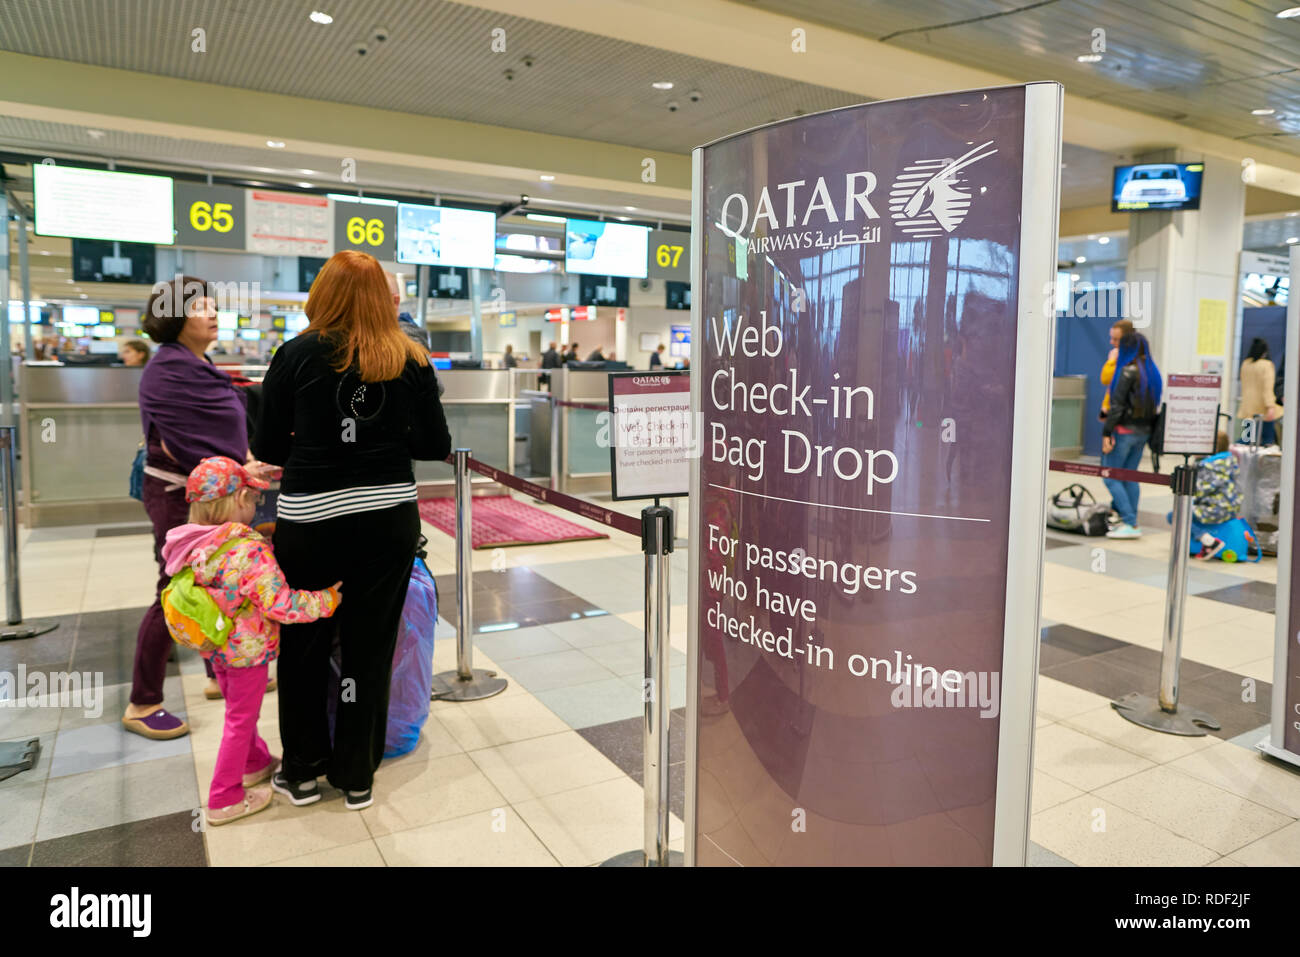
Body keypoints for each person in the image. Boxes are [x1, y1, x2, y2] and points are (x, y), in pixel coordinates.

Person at [253, 250, 451, 811]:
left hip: (311, 523)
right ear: (381, 300)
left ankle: (302, 771)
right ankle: (357, 775)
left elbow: (267, 448)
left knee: (305, 641)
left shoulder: (293, 355)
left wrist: (318, 443)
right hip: (386, 521)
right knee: (370, 645)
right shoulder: (411, 358)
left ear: (323, 296)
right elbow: (433, 446)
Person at [124, 276, 271, 741]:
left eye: (213, 306)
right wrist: (247, 465)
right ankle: (142, 701)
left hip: (204, 491)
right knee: (177, 588)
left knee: (214, 581)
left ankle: (215, 674)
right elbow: (200, 444)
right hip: (177, 496)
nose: (212, 314)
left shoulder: (195, 364)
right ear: (173, 317)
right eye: (199, 307)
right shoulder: (169, 370)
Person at [161, 456, 341, 825]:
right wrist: (328, 599)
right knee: (240, 720)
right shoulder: (247, 550)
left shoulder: (191, 544)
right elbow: (282, 604)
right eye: (254, 500)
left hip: (217, 647)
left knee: (237, 714)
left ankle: (254, 763)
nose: (257, 507)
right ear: (240, 498)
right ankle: (224, 797)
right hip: (247, 653)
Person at [1101, 331, 1162, 540]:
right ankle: (1130, 520)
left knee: (1110, 476)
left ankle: (1129, 521)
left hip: (1124, 432)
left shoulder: (1127, 371)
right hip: (1144, 433)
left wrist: (1106, 432)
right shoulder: (1152, 372)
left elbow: (1116, 406)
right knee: (1130, 476)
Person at [1164, 432, 1242, 560]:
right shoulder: (1228, 461)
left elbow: (1197, 491)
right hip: (1231, 508)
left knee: (1174, 515)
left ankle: (1208, 541)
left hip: (1215, 509)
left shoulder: (1208, 466)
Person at [1237, 338, 1282, 446]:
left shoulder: (1245, 364)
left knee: (1246, 441)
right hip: (1263, 410)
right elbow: (1267, 388)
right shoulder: (1266, 365)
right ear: (1264, 352)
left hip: (1247, 408)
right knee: (1267, 441)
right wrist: (1270, 406)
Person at [1098, 319, 1135, 421]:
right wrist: (1105, 407)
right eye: (1111, 338)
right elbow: (1110, 384)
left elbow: (1106, 378)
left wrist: (1111, 360)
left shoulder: (1132, 360)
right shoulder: (1120, 356)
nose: (1111, 342)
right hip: (1114, 411)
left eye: (1116, 339)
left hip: (1125, 417)